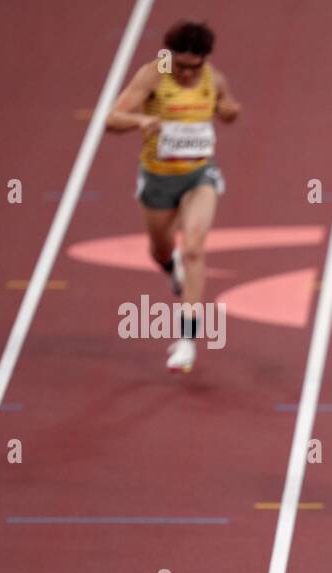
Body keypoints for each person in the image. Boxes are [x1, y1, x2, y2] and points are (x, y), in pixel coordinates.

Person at [107, 20, 239, 373]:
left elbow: (230, 108)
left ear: (203, 61)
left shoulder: (213, 78)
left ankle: (187, 339)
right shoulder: (154, 74)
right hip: (158, 178)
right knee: (160, 250)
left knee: (195, 248)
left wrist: (228, 111)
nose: (183, 73)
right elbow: (112, 118)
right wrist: (140, 122)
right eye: (178, 65)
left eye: (191, 67)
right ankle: (170, 266)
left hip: (199, 175)